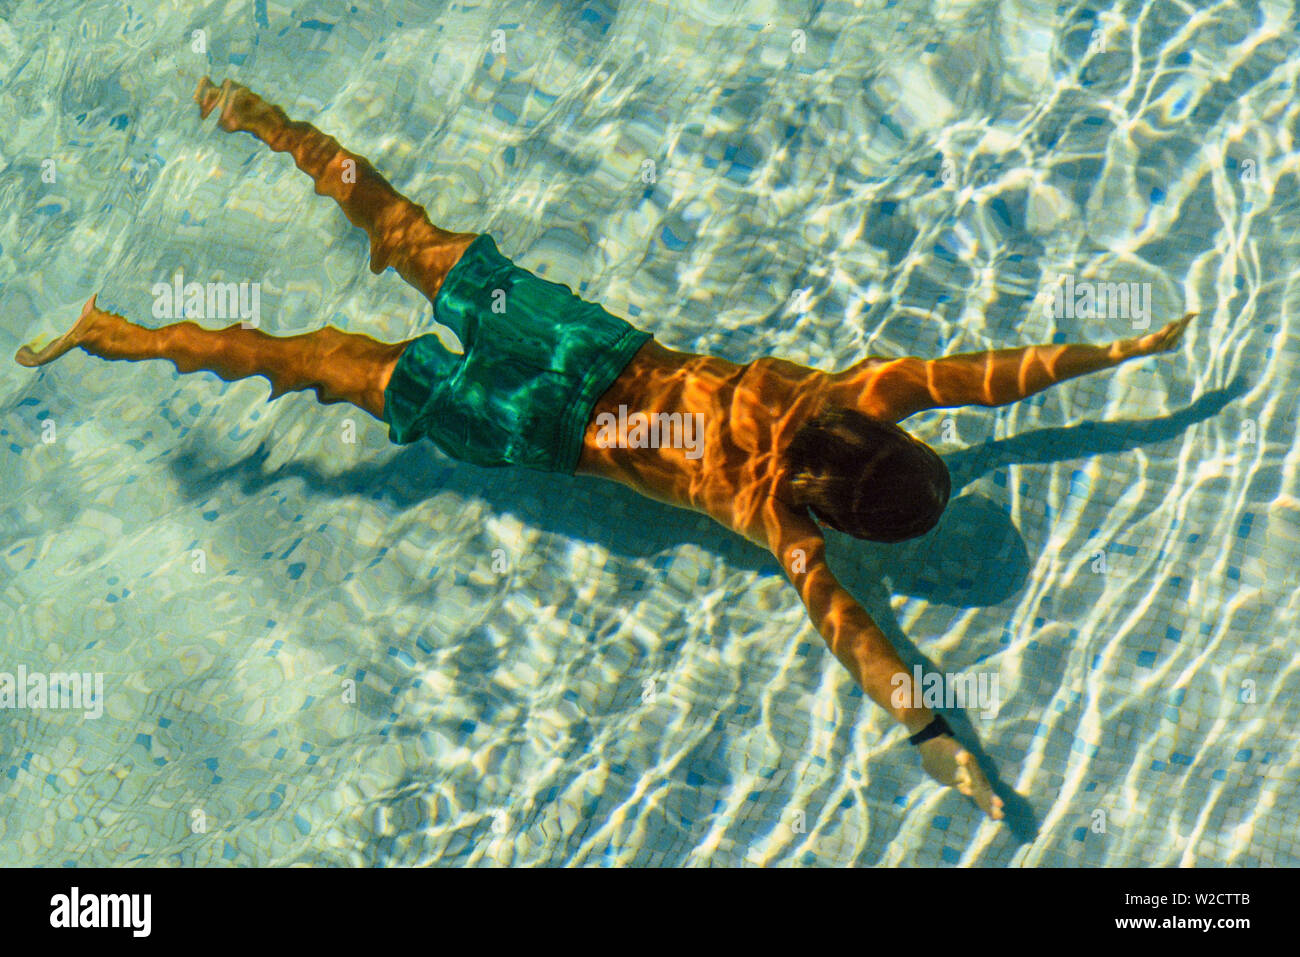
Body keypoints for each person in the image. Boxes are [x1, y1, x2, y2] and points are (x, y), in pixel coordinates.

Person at [17, 78, 1196, 820]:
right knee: (320, 361)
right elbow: (864, 647)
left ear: (875, 433)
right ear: (837, 516)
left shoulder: (854, 388)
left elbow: (994, 377)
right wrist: (944, 746)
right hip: (548, 428)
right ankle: (113, 335)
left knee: (405, 232)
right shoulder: (779, 528)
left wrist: (1127, 351)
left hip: (585, 346)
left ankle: (263, 119)